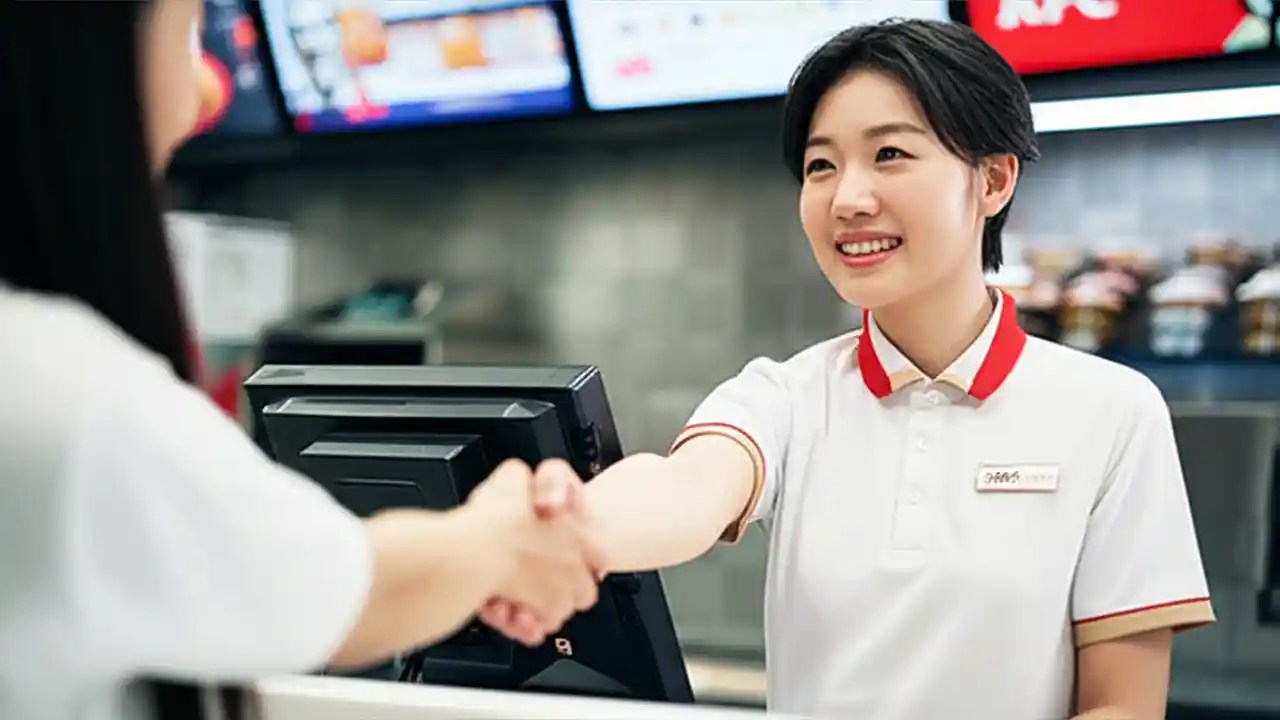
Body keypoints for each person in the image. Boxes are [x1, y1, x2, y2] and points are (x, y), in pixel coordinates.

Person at [484, 18, 1215, 720]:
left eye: (890, 155)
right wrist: (563, 529)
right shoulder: (785, 396)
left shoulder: (1112, 411)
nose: (848, 199)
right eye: (820, 165)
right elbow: (685, 491)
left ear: (992, 181)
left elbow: (1122, 704)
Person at [0, 3, 600, 719]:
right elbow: (355, 597)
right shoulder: (73, 404)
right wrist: (505, 530)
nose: (202, 88)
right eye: (186, 32)